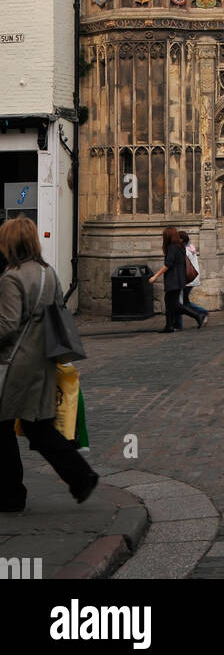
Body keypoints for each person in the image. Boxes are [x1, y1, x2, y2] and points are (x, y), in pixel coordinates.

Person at [0, 217, 99, 512]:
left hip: (14, 363)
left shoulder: (11, 277)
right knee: (38, 427)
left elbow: (6, 325)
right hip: (42, 360)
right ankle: (81, 476)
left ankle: (11, 495)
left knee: (3, 427)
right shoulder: (48, 273)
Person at [149, 227, 205, 332]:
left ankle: (197, 315)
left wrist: (155, 276)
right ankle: (169, 326)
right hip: (179, 279)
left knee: (174, 304)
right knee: (170, 303)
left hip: (173, 279)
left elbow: (167, 265)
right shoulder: (180, 246)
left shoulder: (172, 247)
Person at [177, 231, 208, 328]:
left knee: (179, 303)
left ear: (181, 239)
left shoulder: (185, 251)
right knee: (184, 302)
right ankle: (202, 313)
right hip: (192, 278)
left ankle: (179, 324)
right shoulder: (191, 247)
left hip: (188, 280)